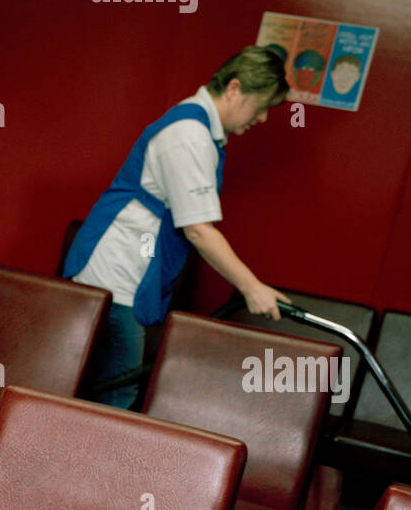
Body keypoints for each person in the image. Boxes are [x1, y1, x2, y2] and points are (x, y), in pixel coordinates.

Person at [64, 46, 291, 407]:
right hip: (115, 271)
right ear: (233, 89)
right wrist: (251, 287)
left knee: (108, 384)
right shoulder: (188, 134)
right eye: (260, 106)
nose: (262, 118)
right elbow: (198, 229)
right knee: (117, 389)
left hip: (131, 267)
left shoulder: (200, 129)